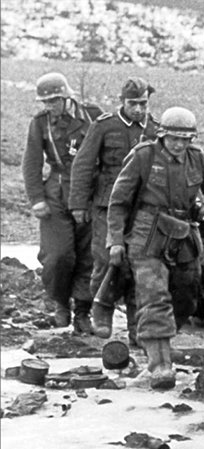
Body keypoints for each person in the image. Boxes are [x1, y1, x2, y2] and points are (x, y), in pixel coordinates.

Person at [106, 107, 204, 389]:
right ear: (162, 135)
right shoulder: (144, 156)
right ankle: (159, 365)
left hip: (183, 235)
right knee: (154, 296)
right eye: (173, 138)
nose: (179, 144)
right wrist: (115, 240)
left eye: (185, 139)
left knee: (187, 295)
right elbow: (119, 200)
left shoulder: (198, 160)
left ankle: (162, 345)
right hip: (148, 233)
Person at [69, 77, 159, 342]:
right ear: (123, 101)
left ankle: (136, 328)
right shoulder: (105, 126)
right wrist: (78, 204)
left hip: (141, 209)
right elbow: (84, 164)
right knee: (105, 260)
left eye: (143, 103)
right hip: (106, 206)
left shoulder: (155, 129)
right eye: (133, 103)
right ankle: (97, 312)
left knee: (138, 266)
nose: (139, 109)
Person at [22, 72, 103, 334]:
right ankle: (60, 302)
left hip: (90, 193)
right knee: (57, 256)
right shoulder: (40, 123)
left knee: (88, 256)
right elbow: (31, 163)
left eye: (54, 100)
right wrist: (37, 199)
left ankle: (82, 310)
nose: (49, 106)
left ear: (66, 97)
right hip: (56, 194)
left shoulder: (92, 116)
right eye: (45, 102)